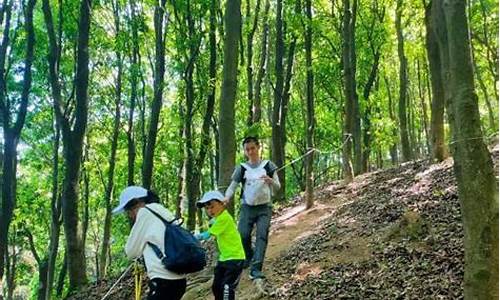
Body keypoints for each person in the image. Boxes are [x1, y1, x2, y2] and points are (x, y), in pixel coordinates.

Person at [112, 186, 186, 300]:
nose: (130, 215)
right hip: (179, 278)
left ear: (138, 203)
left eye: (129, 209)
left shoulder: (145, 213)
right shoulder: (161, 210)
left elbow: (131, 251)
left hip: (163, 280)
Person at [223, 136, 280, 280]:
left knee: (262, 235)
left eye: (252, 148)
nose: (250, 151)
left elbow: (278, 186)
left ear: (258, 147)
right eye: (247, 149)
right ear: (244, 151)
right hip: (247, 207)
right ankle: (248, 256)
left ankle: (256, 268)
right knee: (242, 235)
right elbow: (232, 186)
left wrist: (270, 181)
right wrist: (226, 198)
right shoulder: (242, 168)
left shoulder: (268, 166)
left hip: (264, 208)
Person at [196, 190, 246, 300]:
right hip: (224, 258)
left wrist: (191, 237)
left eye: (212, 206)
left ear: (222, 204)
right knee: (216, 287)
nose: (210, 210)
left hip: (235, 258)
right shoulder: (218, 219)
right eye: (207, 208)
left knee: (227, 288)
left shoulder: (224, 218)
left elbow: (207, 235)